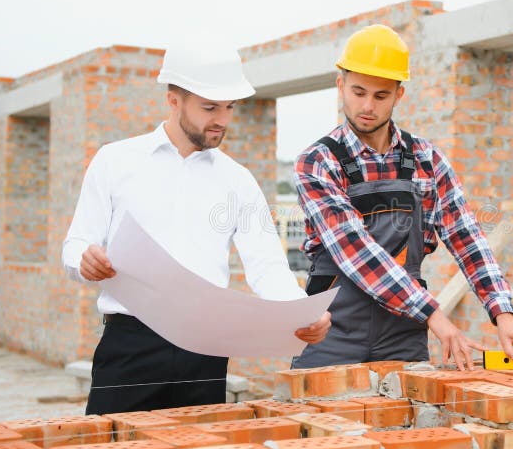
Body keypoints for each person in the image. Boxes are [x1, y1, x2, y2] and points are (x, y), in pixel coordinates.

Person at [62, 43, 330, 414]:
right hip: (130, 346)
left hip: (205, 348)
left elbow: (267, 266)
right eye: (209, 107)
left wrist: (301, 313)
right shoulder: (115, 161)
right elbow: (75, 244)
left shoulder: (238, 180)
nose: (222, 118)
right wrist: (84, 259)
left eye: (229, 107)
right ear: (174, 100)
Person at [291, 24, 513, 370]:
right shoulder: (318, 162)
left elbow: (466, 238)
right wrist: (435, 317)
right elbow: (356, 251)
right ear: (340, 86)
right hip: (331, 327)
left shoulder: (427, 160)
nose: (367, 106)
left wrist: (502, 312)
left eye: (381, 96)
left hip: (403, 331)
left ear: (399, 94)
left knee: (407, 420)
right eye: (358, 92)